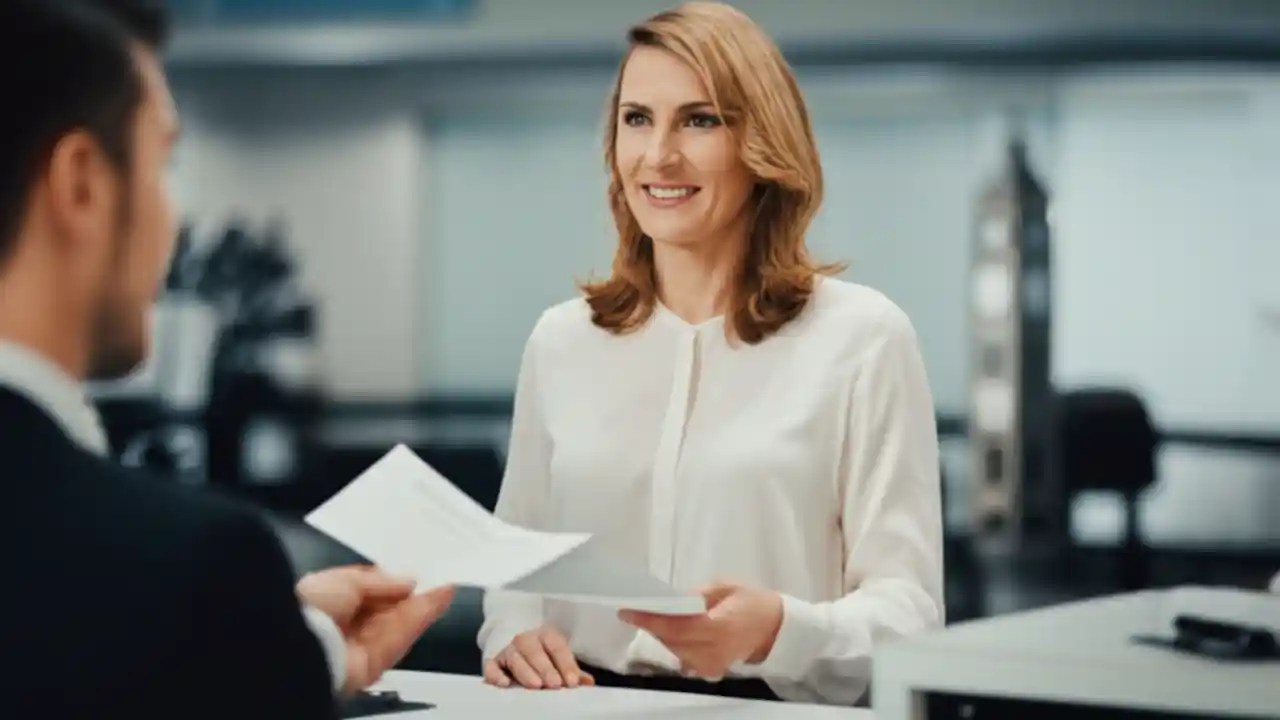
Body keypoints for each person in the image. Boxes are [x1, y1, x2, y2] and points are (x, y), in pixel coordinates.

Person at [478, 1, 943, 706]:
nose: (659, 155)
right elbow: (515, 568)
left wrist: (780, 629)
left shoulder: (864, 338)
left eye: (699, 120)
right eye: (637, 119)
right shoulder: (560, 341)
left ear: (762, 143)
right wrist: (509, 632)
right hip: (576, 703)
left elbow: (910, 616)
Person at [0, 1, 453, 715]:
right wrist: (234, 621)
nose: (170, 221)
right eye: (162, 164)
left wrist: (282, 642)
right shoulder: (193, 565)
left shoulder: (180, 594)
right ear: (81, 184)